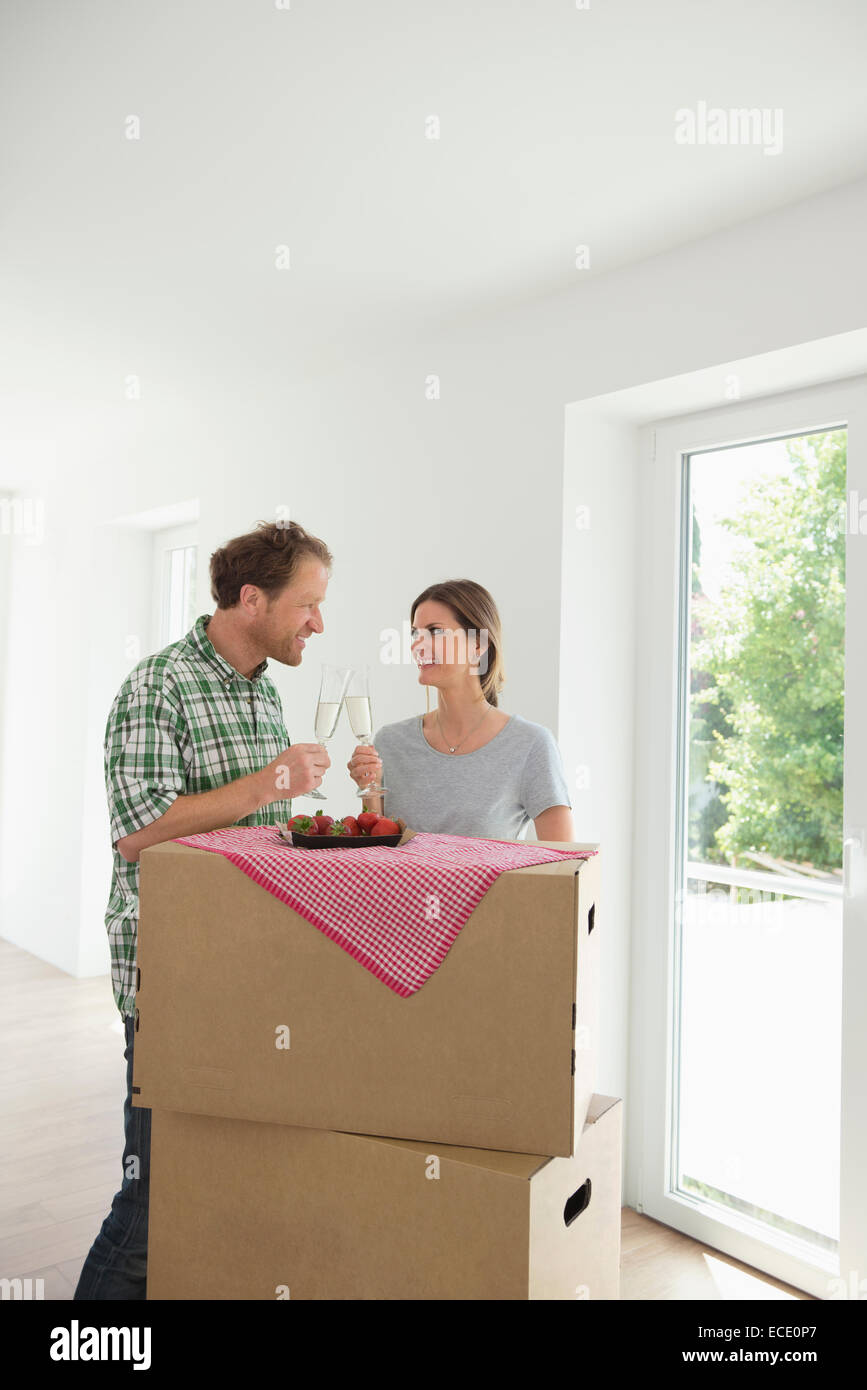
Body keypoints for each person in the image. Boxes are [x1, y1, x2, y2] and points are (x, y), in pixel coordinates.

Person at [74, 519, 332, 1299]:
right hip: (177, 978)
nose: (317, 623)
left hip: (255, 974)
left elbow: (249, 829)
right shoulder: (158, 686)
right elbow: (138, 833)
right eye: (307, 604)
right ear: (251, 599)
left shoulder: (262, 691)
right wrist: (267, 784)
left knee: (228, 1185)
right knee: (153, 1200)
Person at [348, 579, 574, 841]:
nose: (417, 645)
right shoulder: (390, 742)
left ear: (478, 645)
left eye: (435, 631)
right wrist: (370, 791)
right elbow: (377, 857)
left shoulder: (530, 744)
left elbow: (564, 862)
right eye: (414, 633)